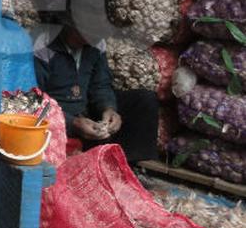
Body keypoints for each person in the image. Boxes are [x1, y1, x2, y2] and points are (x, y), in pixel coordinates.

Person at [34, 18, 159, 163]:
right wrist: (71, 122)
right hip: (55, 120)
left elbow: (101, 85)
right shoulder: (42, 45)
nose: (97, 37)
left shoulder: (96, 44)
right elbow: (34, 100)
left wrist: (108, 108)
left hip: (85, 114)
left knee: (144, 100)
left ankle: (126, 166)